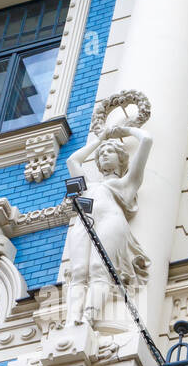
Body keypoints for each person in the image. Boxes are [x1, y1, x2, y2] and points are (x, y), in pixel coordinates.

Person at [61, 121, 153, 328]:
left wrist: (125, 131)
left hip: (110, 221)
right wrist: (100, 140)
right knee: (78, 271)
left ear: (121, 160)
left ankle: (88, 318)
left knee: (98, 267)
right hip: (85, 223)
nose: (104, 154)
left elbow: (146, 140)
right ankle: (71, 320)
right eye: (101, 153)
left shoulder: (126, 183)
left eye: (110, 151)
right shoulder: (88, 184)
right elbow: (72, 160)